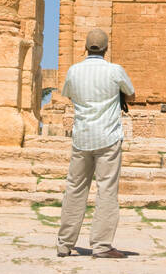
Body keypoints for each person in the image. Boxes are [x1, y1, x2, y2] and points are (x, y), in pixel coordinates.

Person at [56, 27, 135, 258]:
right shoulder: (114, 70)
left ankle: (64, 244)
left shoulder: (74, 71)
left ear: (85, 48)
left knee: (74, 189)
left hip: (82, 137)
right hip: (108, 137)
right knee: (106, 190)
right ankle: (101, 245)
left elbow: (69, 94)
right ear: (106, 48)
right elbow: (131, 93)